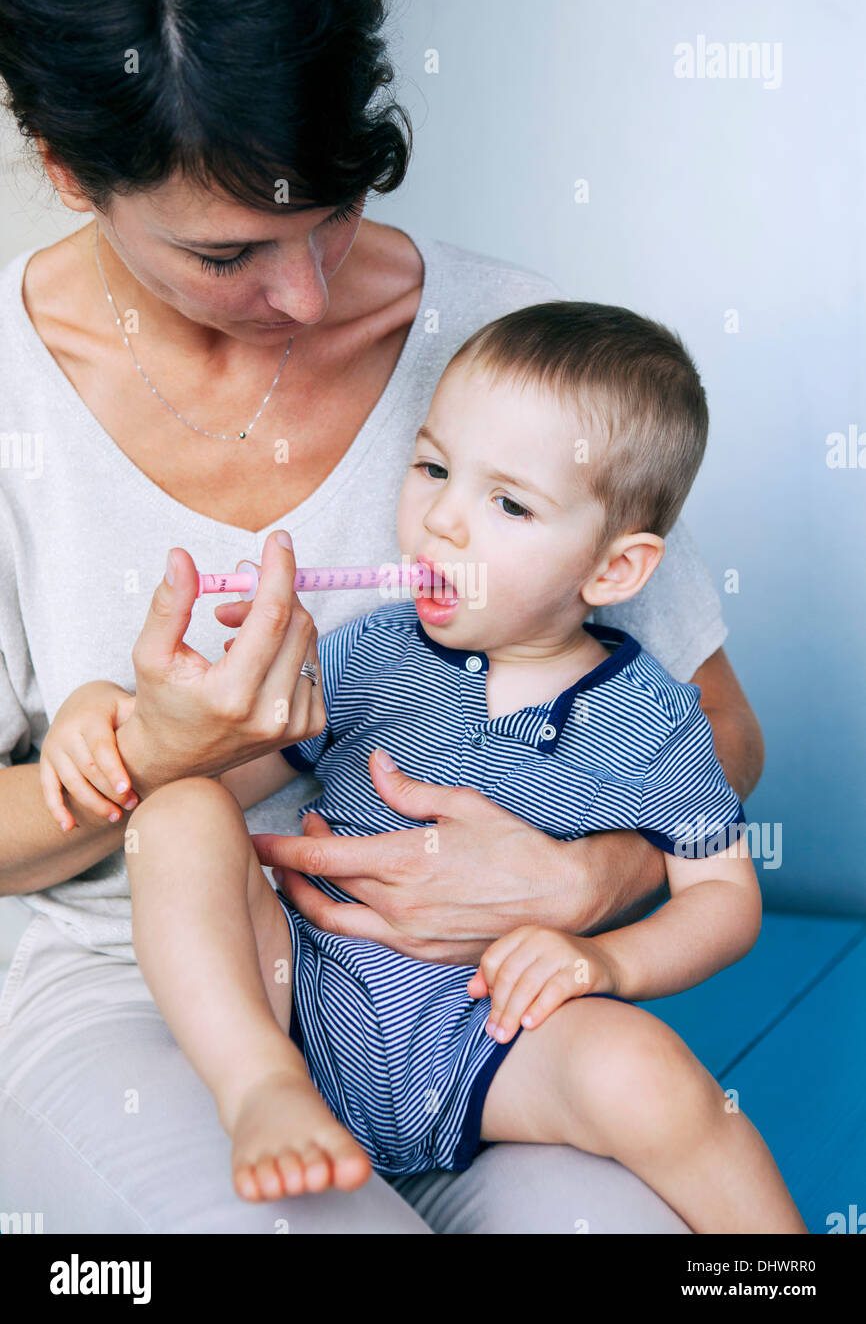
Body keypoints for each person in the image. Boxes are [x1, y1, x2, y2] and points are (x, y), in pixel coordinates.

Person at [0, 0, 763, 1233]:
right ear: (70, 172)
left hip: (452, 994)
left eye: (334, 214)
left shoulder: (514, 351)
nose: (303, 293)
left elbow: (714, 733)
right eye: (229, 254)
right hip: (129, 981)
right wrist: (151, 746)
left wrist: (590, 885)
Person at [40, 300, 805, 1233]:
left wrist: (606, 960)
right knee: (178, 820)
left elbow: (723, 900)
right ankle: (256, 1089)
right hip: (301, 1005)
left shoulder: (655, 721)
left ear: (613, 571)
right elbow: (199, 782)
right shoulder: (368, 654)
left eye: (509, 503)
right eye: (434, 468)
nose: (440, 520)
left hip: (489, 1038)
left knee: (653, 1078)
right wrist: (110, 721)